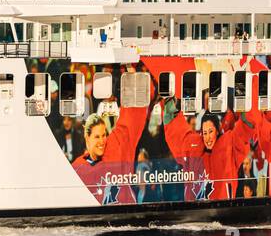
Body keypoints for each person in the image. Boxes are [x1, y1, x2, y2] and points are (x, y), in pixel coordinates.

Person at [72, 77, 153, 205]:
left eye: (104, 135)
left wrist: (133, 77)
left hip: (126, 214)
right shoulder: (78, 166)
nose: (102, 141)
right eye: (97, 137)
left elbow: (128, 123)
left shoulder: (113, 146)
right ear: (87, 138)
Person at [161, 98, 255, 200]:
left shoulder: (228, 144)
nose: (208, 137)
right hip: (195, 213)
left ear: (217, 131)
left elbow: (244, 130)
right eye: (205, 133)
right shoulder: (194, 145)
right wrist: (170, 109)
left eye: (210, 131)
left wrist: (248, 107)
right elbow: (177, 135)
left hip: (222, 212)